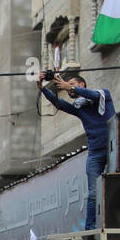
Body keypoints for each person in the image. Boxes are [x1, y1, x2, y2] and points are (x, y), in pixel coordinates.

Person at [38, 74, 113, 230]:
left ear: (82, 84)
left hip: (113, 147)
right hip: (95, 152)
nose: (66, 86)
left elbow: (93, 95)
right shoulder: (79, 107)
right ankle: (90, 230)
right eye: (66, 84)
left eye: (71, 83)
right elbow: (59, 104)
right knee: (93, 193)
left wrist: (70, 87)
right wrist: (42, 88)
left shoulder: (103, 95)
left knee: (114, 187)